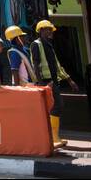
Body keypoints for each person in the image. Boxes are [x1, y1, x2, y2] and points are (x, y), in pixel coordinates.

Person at [29, 19, 76, 148]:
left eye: (51, 29)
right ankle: (53, 136)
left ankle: (54, 136)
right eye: (48, 29)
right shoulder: (36, 44)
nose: (51, 32)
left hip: (53, 80)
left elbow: (57, 65)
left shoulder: (49, 45)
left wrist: (69, 79)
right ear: (41, 30)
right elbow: (36, 65)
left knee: (55, 106)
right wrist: (42, 83)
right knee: (58, 105)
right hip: (46, 81)